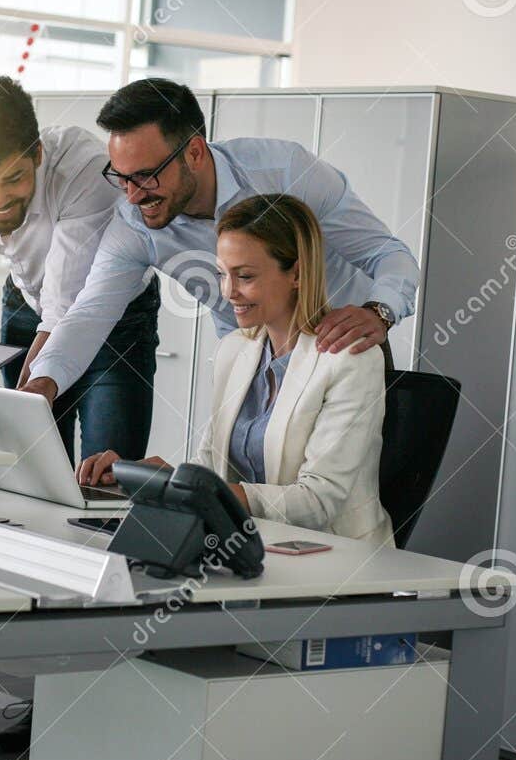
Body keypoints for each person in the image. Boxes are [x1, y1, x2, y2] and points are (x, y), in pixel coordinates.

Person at [21, 77, 417, 428]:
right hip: (246, 357)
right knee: (239, 474)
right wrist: (44, 381)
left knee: (321, 491)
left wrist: (378, 311)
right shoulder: (133, 221)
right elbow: (91, 311)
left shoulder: (284, 171)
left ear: (194, 152)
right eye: (121, 177)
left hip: (341, 345)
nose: (133, 194)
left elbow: (389, 254)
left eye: (145, 176)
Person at [77, 193, 392, 546]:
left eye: (244, 276)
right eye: (222, 274)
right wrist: (160, 476)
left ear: (298, 274)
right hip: (249, 542)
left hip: (334, 555)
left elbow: (317, 502)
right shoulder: (235, 350)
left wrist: (193, 488)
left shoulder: (350, 360)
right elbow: (212, 466)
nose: (229, 292)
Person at [0, 75, 159, 460]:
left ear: (37, 153)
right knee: (31, 460)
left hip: (115, 320)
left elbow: (64, 307)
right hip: (24, 303)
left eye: (14, 178)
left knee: (105, 471)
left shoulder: (85, 170)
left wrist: (29, 395)